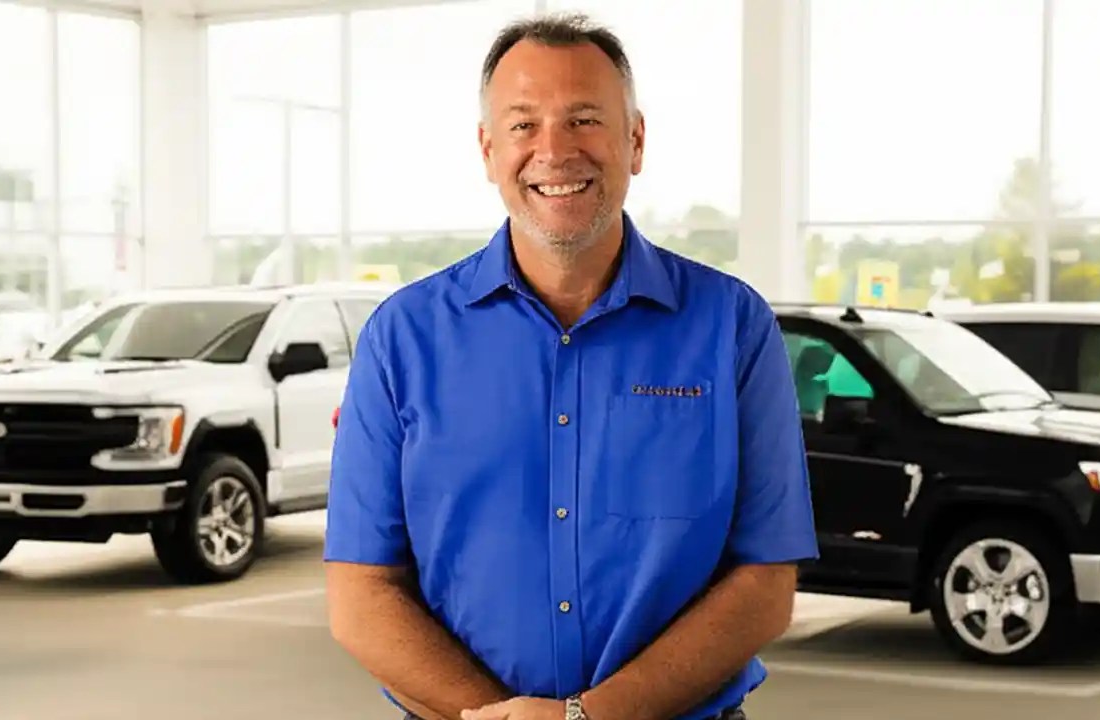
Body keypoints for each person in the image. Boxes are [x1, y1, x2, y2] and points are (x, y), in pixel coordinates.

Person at [324, 12, 818, 720]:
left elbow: (765, 580)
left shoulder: (731, 327)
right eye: (524, 125)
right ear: (488, 149)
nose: (554, 151)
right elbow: (361, 596)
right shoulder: (400, 339)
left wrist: (587, 718)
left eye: (584, 119)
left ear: (635, 141)